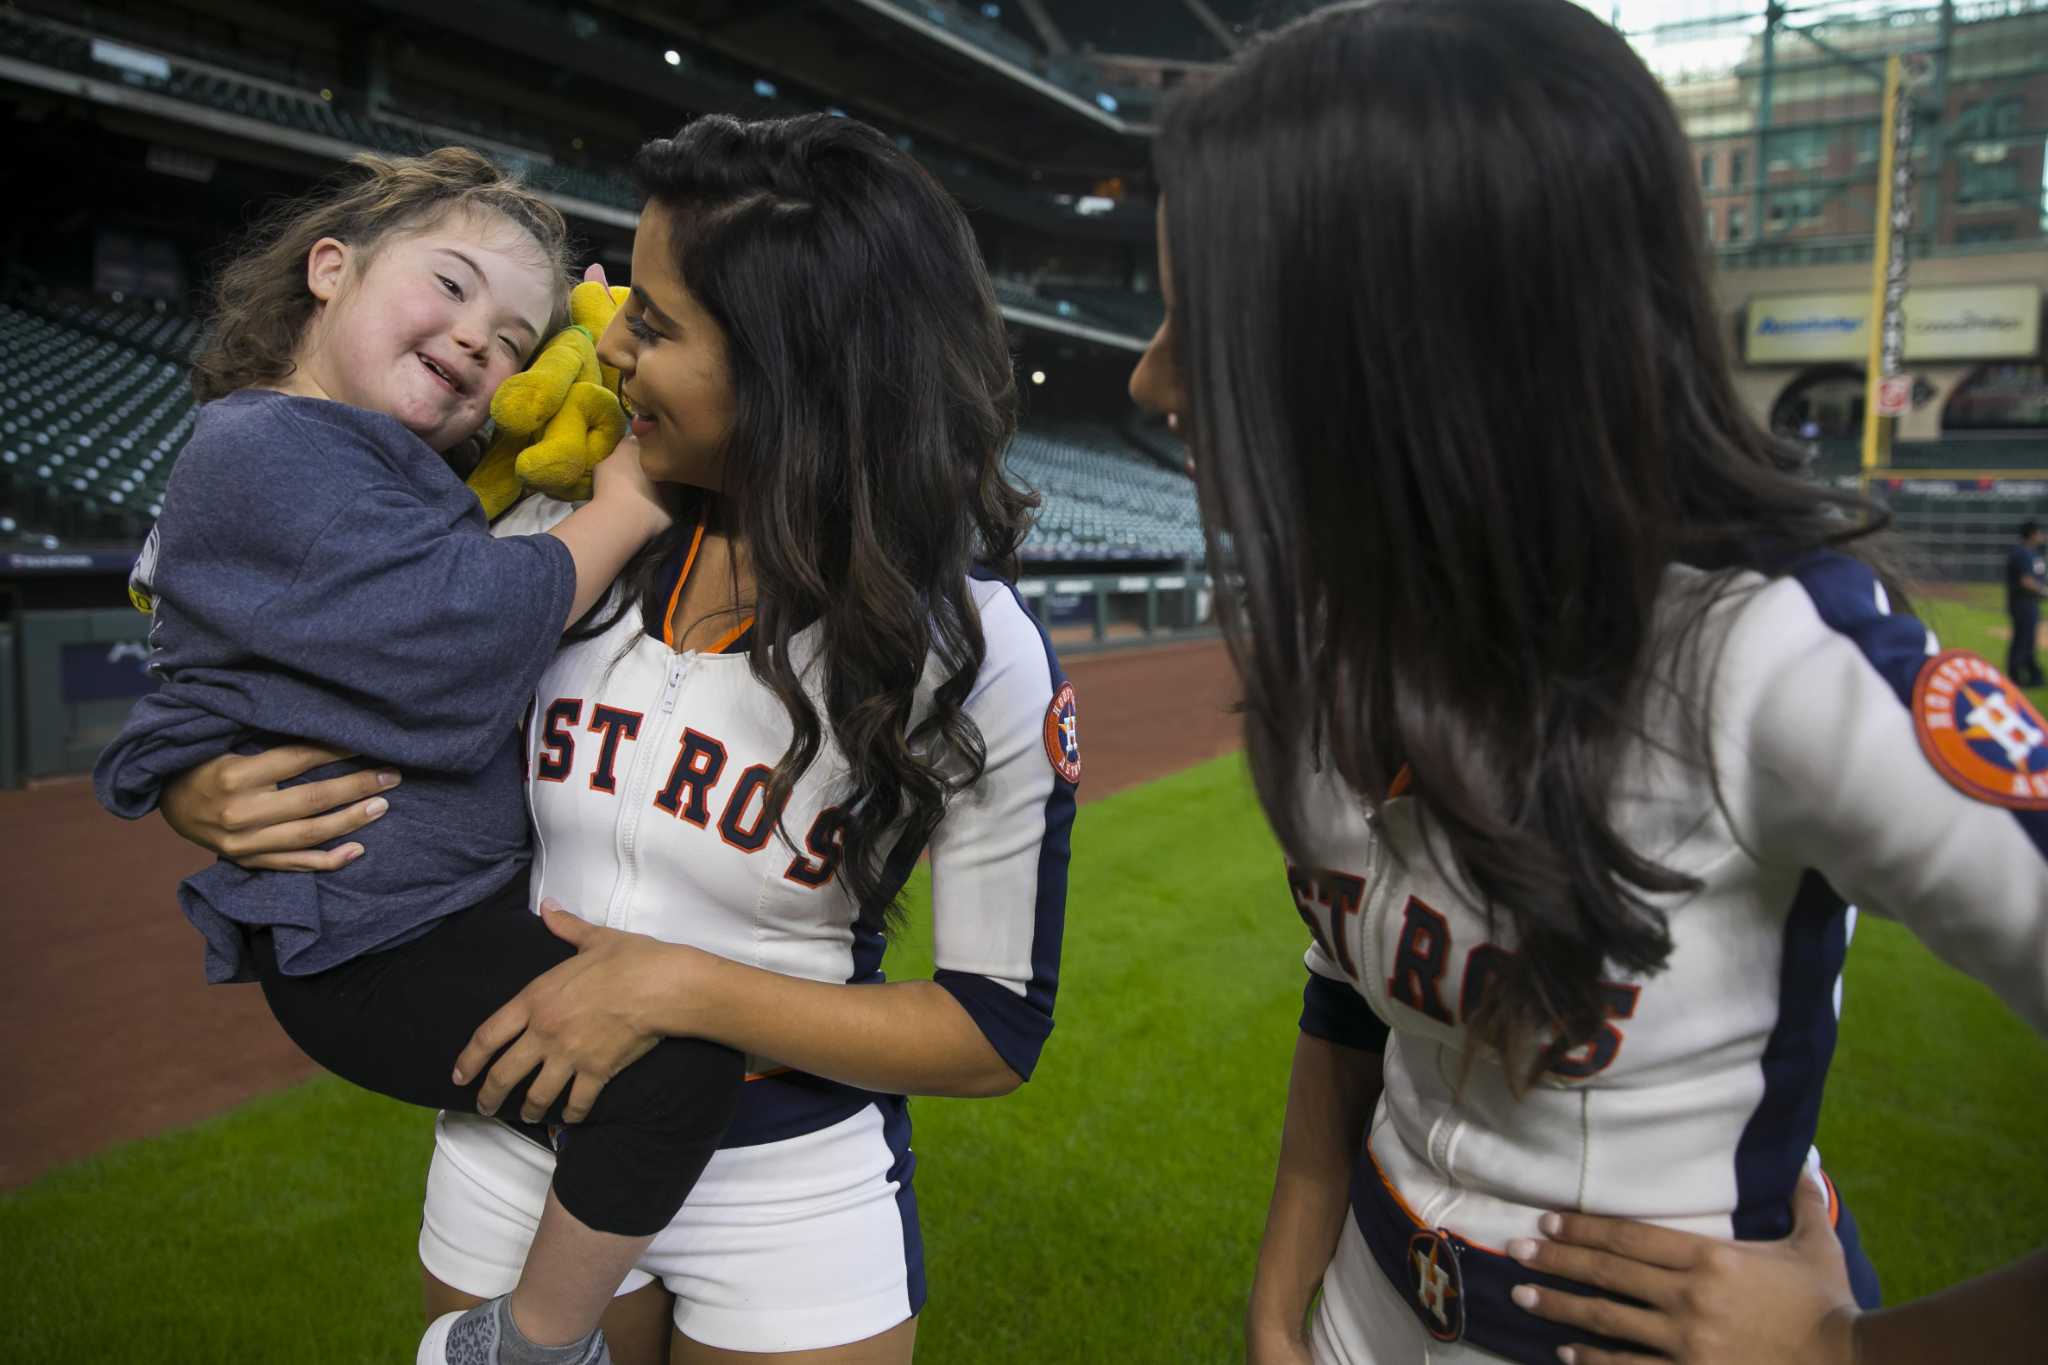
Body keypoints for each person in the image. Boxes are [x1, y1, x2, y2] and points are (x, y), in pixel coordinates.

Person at [1125, 3, 2048, 1363]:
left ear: (1403, 352)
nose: (1150, 380)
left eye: (1202, 324)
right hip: (1357, 1311)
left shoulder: (1768, 659)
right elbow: (1348, 983)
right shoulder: (1344, 614)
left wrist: (1854, 1352)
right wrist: (1282, 1295)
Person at [155, 112, 1075, 1365]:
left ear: (794, 366)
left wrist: (677, 988)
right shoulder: (543, 525)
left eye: (655, 320)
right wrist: (195, 782)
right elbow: (236, 591)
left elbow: (991, 1031)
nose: (612, 346)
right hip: (512, 1142)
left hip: (787, 1192)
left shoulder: (969, 645)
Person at [92, 147, 747, 1365]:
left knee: (657, 1057)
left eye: (511, 343)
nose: (474, 342)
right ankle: (526, 1348)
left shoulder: (376, 459)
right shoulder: (265, 445)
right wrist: (621, 510)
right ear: (328, 269)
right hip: (379, 938)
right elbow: (452, 639)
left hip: (425, 914)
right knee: (672, 1069)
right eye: (448, 285)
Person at [2005, 520, 2045, 687]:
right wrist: (2044, 590)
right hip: (2022, 604)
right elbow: (2026, 581)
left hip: (2031, 603)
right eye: (2039, 532)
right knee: (2023, 640)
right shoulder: (2022, 554)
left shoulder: (2033, 554)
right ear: (2032, 534)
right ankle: (2016, 677)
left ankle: (2032, 675)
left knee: (2028, 640)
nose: (2042, 536)